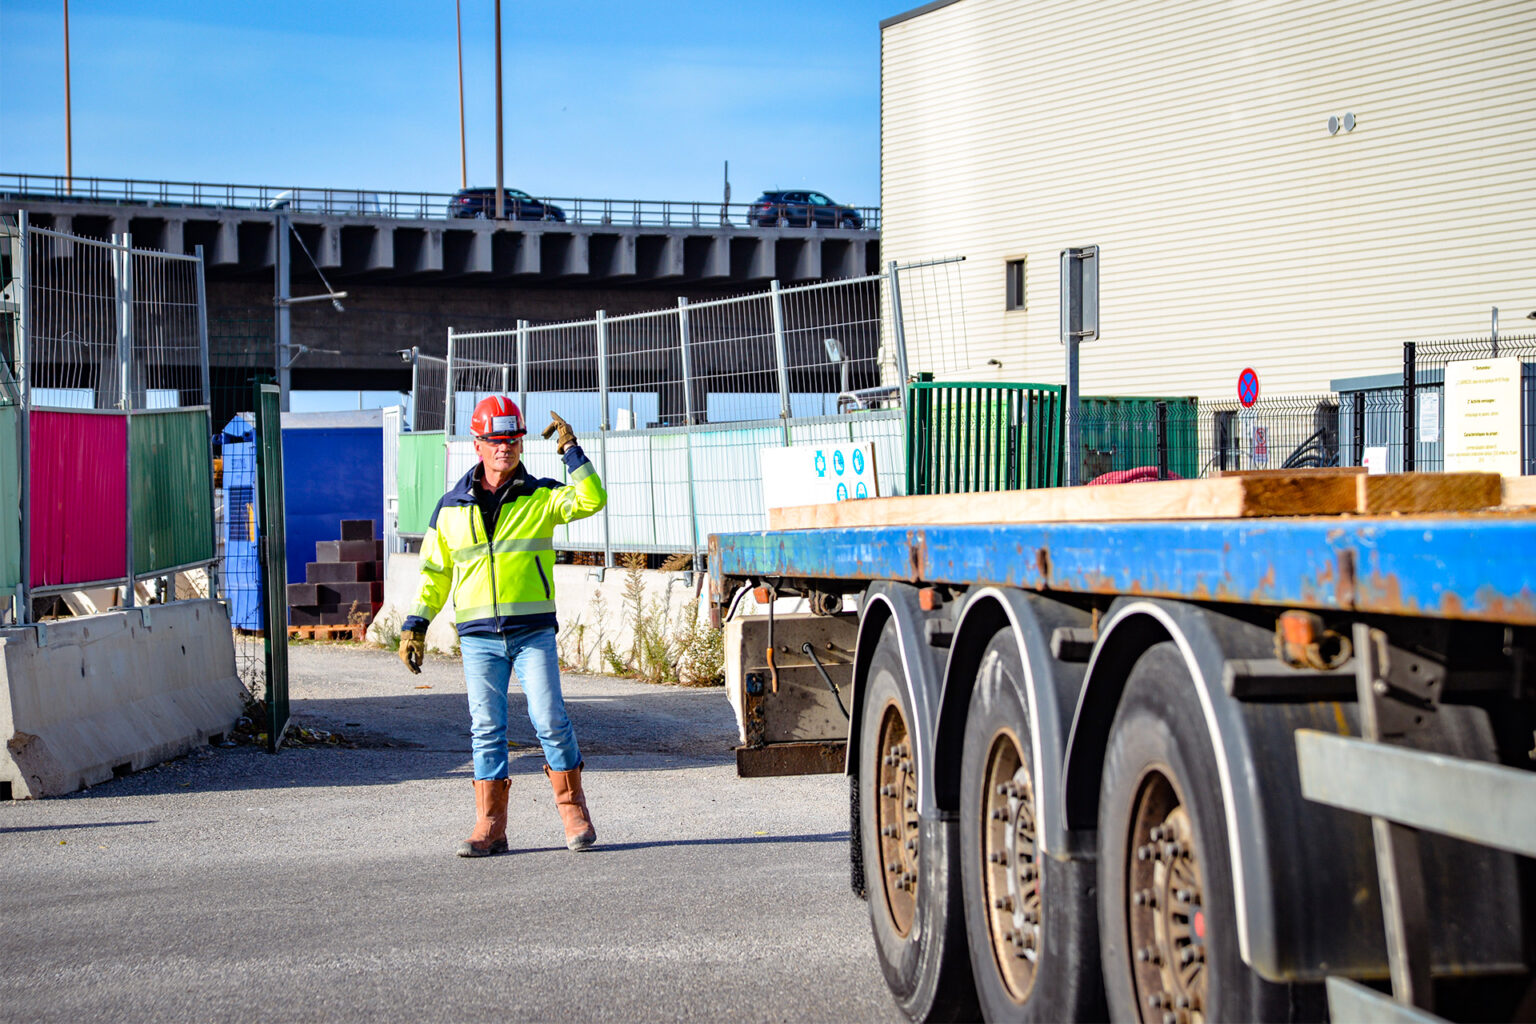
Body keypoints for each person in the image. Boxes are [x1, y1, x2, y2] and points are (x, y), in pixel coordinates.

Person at [397, 396, 606, 857]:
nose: (504, 449)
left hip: (531, 631)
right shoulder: (449, 507)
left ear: (520, 443)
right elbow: (434, 572)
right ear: (478, 444)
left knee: (550, 719)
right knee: (486, 728)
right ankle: (490, 824)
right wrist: (416, 624)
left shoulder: (542, 495)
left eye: (511, 440)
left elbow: (594, 498)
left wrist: (572, 450)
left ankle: (574, 812)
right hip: (478, 637)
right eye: (495, 441)